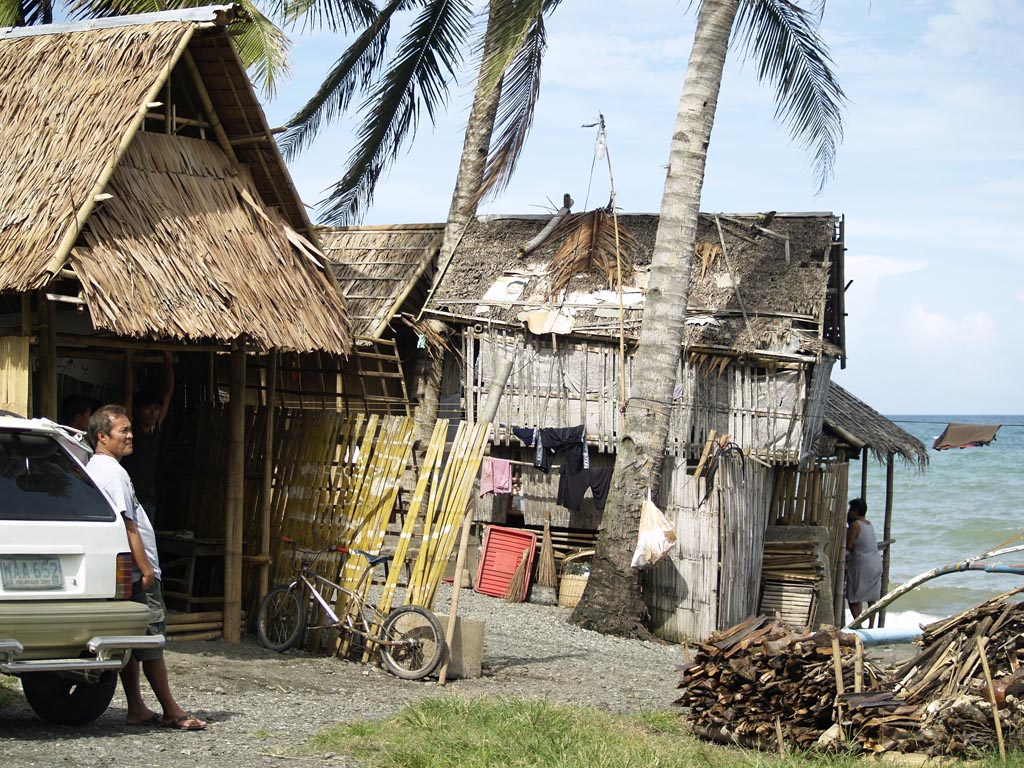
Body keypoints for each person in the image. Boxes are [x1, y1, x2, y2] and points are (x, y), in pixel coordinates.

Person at [86, 405, 206, 731]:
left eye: (129, 429)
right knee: (151, 639)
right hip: (137, 570)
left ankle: (136, 707)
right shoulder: (112, 473)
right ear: (101, 436)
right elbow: (128, 525)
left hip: (123, 569)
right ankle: (171, 710)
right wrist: (146, 568)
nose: (130, 435)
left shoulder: (95, 468)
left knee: (131, 638)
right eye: (123, 431)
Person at [121, 350, 173, 527]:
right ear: (136, 410)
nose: (153, 412)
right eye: (148, 408)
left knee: (147, 547)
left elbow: (168, 394)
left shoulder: (155, 428)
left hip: (149, 499)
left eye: (156, 409)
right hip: (131, 498)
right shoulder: (130, 429)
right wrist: (128, 360)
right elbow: (127, 394)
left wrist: (168, 360)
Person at [845, 497, 883, 623]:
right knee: (871, 598)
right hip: (875, 562)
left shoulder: (856, 525)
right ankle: (871, 626)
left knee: (852, 597)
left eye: (851, 509)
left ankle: (859, 625)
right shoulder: (869, 523)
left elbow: (850, 546)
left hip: (862, 564)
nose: (849, 512)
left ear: (855, 511)